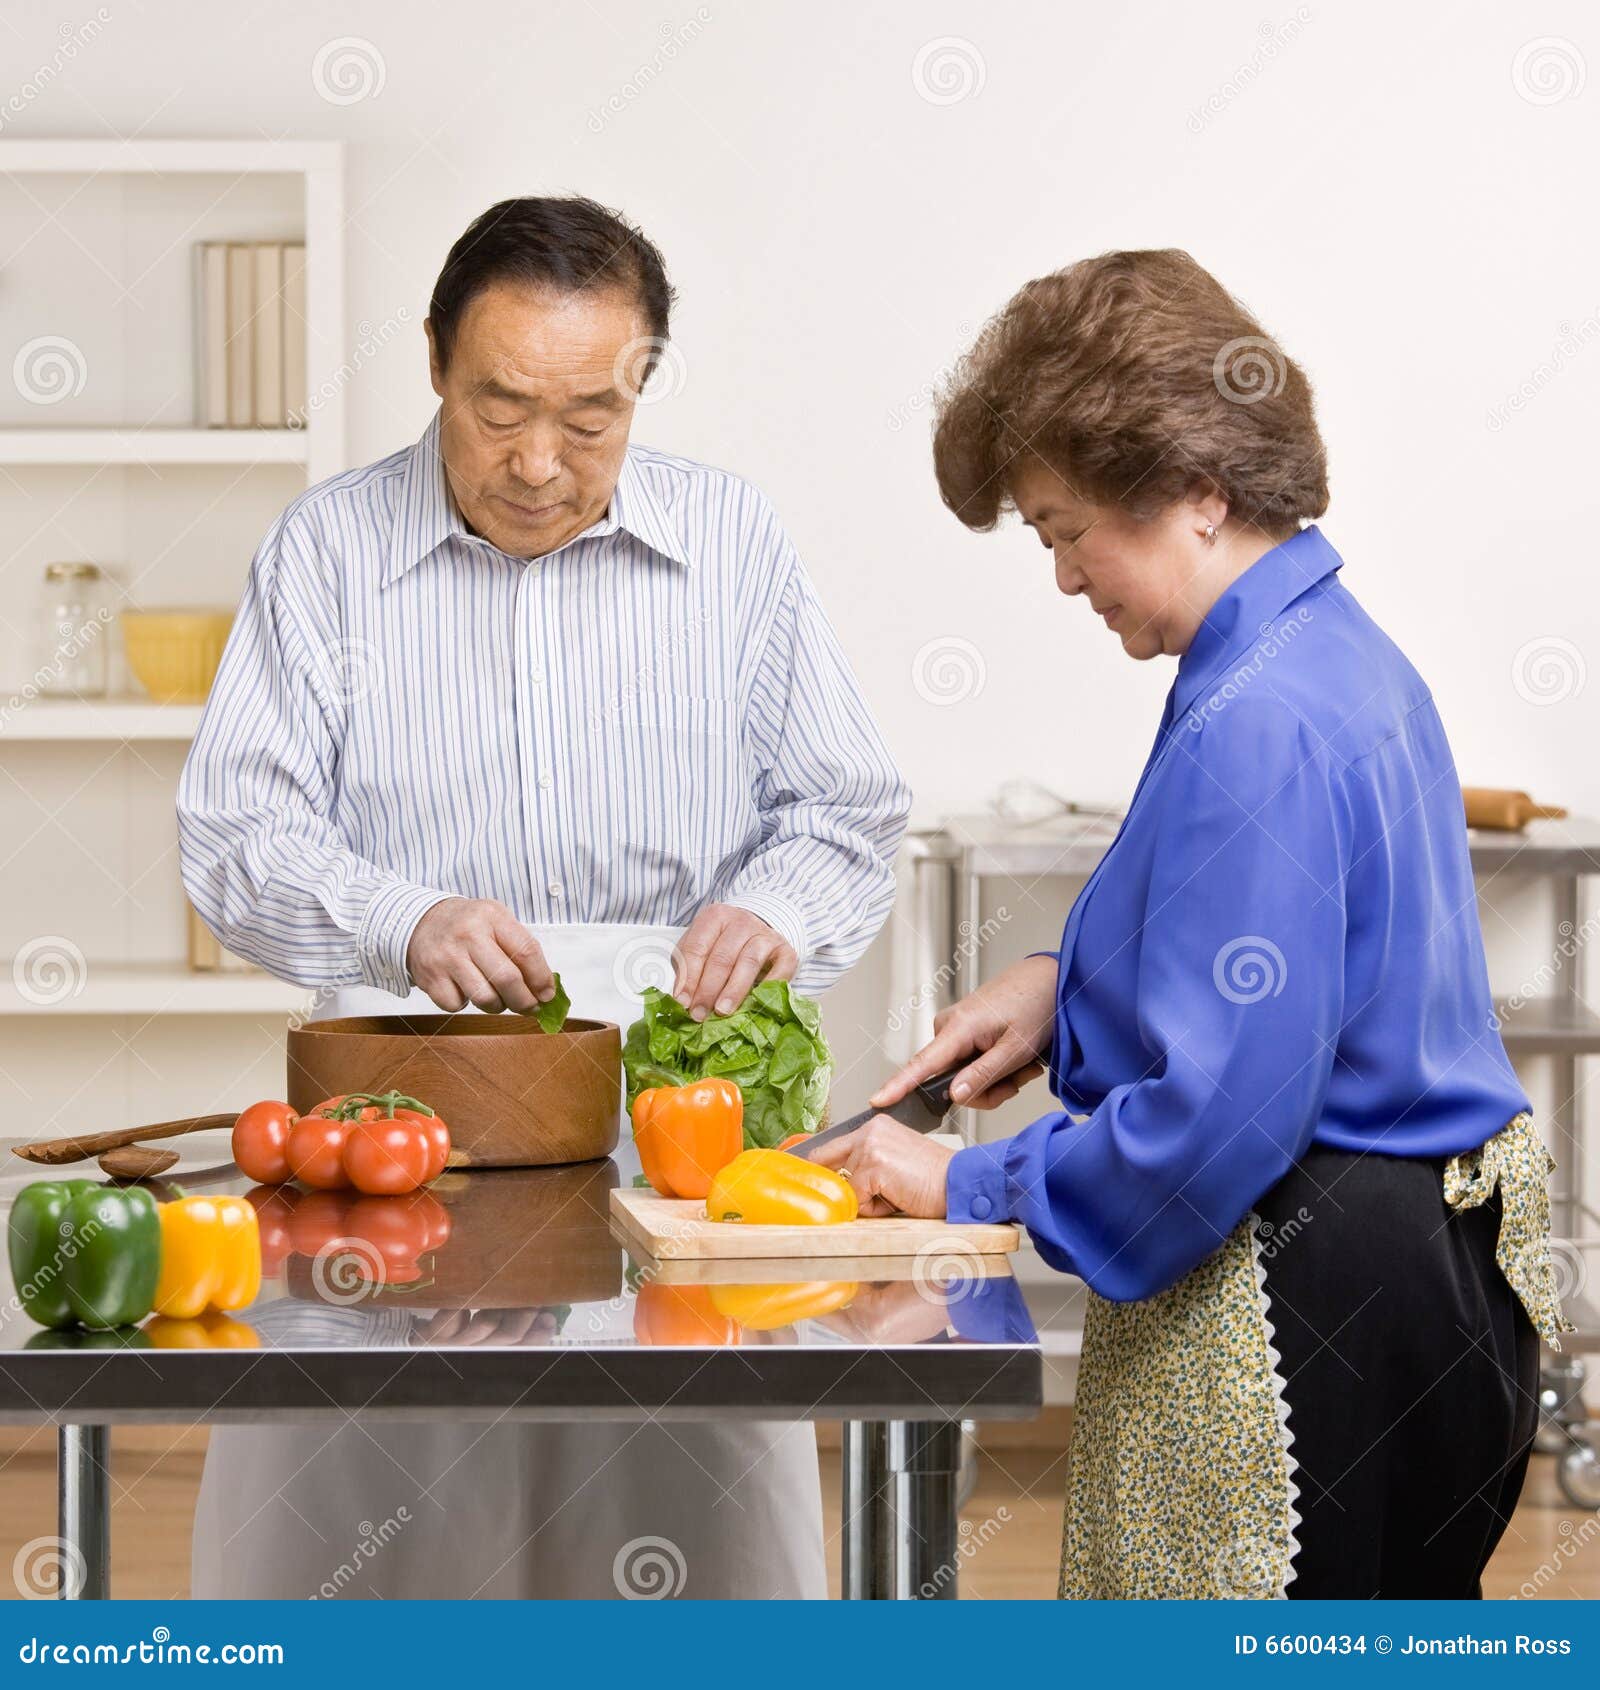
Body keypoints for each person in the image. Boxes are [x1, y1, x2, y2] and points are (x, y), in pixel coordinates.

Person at [178, 195, 909, 1598]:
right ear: (437, 366)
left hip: (670, 1114)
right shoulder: (325, 551)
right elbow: (234, 833)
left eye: (588, 416)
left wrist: (778, 910)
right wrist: (404, 918)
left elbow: (844, 810)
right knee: (374, 1531)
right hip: (401, 1111)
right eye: (498, 403)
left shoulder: (734, 541)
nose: (534, 459)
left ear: (644, 381)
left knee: (683, 1528)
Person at [813, 249, 1570, 1599]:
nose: (1059, 577)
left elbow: (1215, 1124)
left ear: (1198, 491)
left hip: (1318, 1310)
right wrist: (1067, 983)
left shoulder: (1254, 718)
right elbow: (1303, 969)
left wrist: (963, 1183)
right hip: (1426, 1283)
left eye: (1061, 529)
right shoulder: (1325, 651)